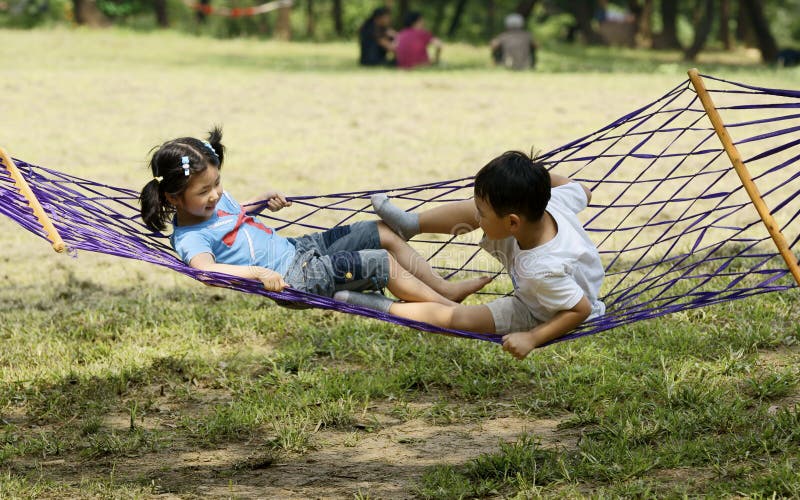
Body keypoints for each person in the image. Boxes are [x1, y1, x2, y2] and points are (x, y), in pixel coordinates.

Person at [139, 127, 490, 306]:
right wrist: (257, 273)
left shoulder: (216, 202)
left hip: (299, 248)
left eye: (217, 183)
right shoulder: (190, 238)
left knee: (380, 230)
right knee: (379, 261)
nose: (215, 194)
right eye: (203, 192)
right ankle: (447, 310)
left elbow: (234, 215)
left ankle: (445, 288)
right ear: (172, 197)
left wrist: (259, 202)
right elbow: (205, 270)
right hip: (296, 277)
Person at [338, 151, 605, 360]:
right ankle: (412, 223)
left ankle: (380, 306)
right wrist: (531, 178)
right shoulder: (551, 200)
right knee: (488, 204)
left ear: (513, 224)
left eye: (481, 214)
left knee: (459, 318)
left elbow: (579, 309)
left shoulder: (543, 270)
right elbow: (583, 190)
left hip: (545, 312)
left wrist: (533, 338)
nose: (476, 217)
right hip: (546, 277)